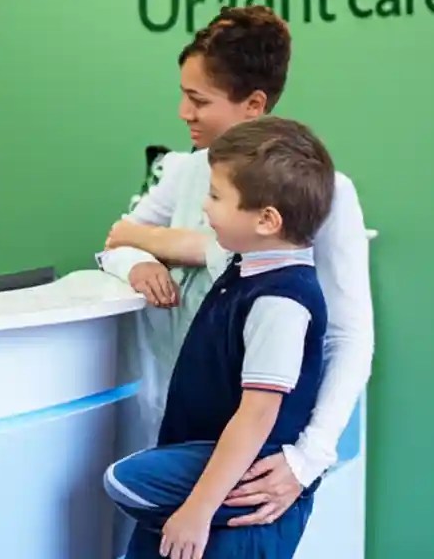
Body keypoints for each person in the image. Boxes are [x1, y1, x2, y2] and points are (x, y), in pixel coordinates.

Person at [97, 6, 373, 528]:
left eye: (198, 100)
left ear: (253, 104)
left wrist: (307, 459)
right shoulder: (186, 170)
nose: (183, 112)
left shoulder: (328, 193)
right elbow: (115, 241)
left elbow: (349, 337)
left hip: (267, 455)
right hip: (185, 426)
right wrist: (136, 258)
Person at [104, 116, 335, 558]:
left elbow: (256, 416)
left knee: (126, 481)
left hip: (236, 495)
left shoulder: (281, 302)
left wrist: (198, 508)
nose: (205, 208)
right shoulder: (243, 266)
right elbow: (163, 242)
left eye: (215, 196)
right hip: (203, 466)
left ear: (266, 220)